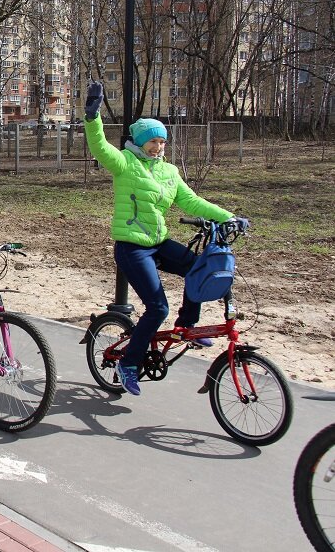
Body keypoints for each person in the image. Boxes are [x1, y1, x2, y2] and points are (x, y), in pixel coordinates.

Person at [82, 81, 249, 396]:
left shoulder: (169, 172)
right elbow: (100, 147)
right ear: (141, 142)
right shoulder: (125, 164)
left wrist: (228, 217)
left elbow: (192, 202)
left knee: (199, 269)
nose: (158, 147)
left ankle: (187, 325)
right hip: (132, 248)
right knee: (157, 309)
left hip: (157, 241)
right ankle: (128, 364)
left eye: (161, 142)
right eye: (152, 142)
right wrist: (93, 117)